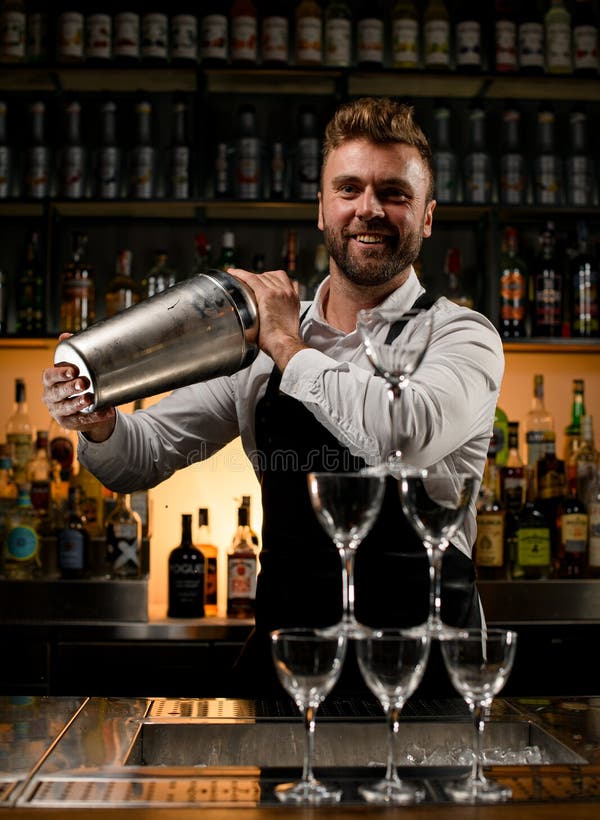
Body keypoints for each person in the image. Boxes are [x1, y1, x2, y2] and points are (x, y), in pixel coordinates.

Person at [42, 97, 504, 698]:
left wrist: (286, 342)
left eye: (394, 192)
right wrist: (98, 422)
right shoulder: (259, 341)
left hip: (425, 677)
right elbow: (143, 456)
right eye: (349, 189)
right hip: (293, 673)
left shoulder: (460, 335)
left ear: (427, 215)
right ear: (321, 209)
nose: (369, 209)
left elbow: (400, 432)